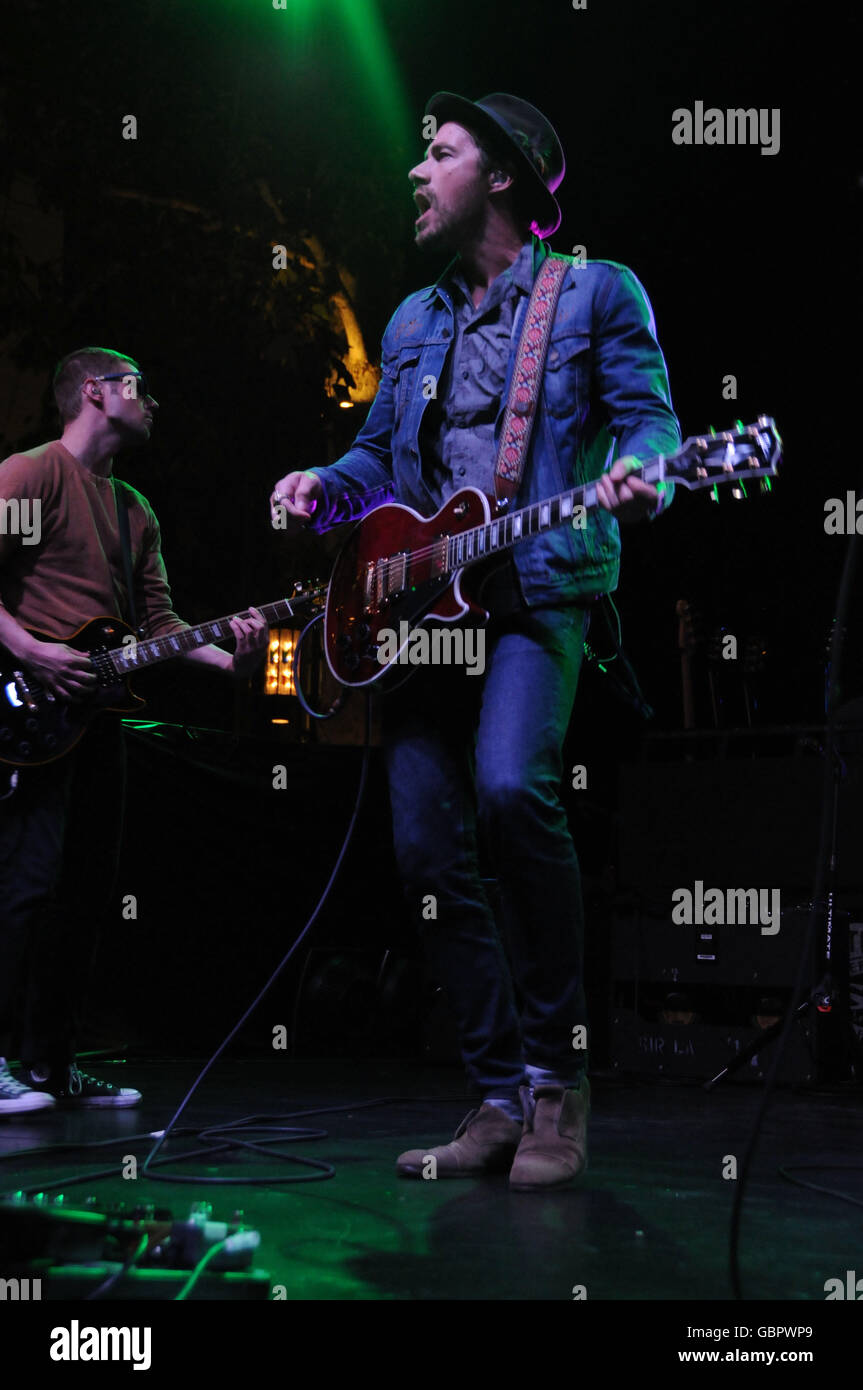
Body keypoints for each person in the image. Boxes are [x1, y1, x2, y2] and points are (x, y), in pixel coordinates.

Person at [270, 93, 680, 1189]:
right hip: (419, 618)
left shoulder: (594, 292)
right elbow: (376, 462)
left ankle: (557, 1083)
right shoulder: (409, 321)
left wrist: (645, 471)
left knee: (509, 794)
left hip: (536, 593)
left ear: (499, 175)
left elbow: (649, 423)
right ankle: (495, 1094)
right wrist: (323, 484)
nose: (415, 171)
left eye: (438, 153)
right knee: (423, 855)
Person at [0, 346, 267, 1114]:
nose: (152, 403)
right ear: (94, 392)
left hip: (99, 722)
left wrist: (234, 663)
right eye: (137, 388)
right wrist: (32, 651)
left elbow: (160, 627)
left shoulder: (135, 510)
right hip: (28, 715)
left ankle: (51, 1066)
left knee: (84, 894)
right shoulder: (32, 474)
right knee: (22, 888)